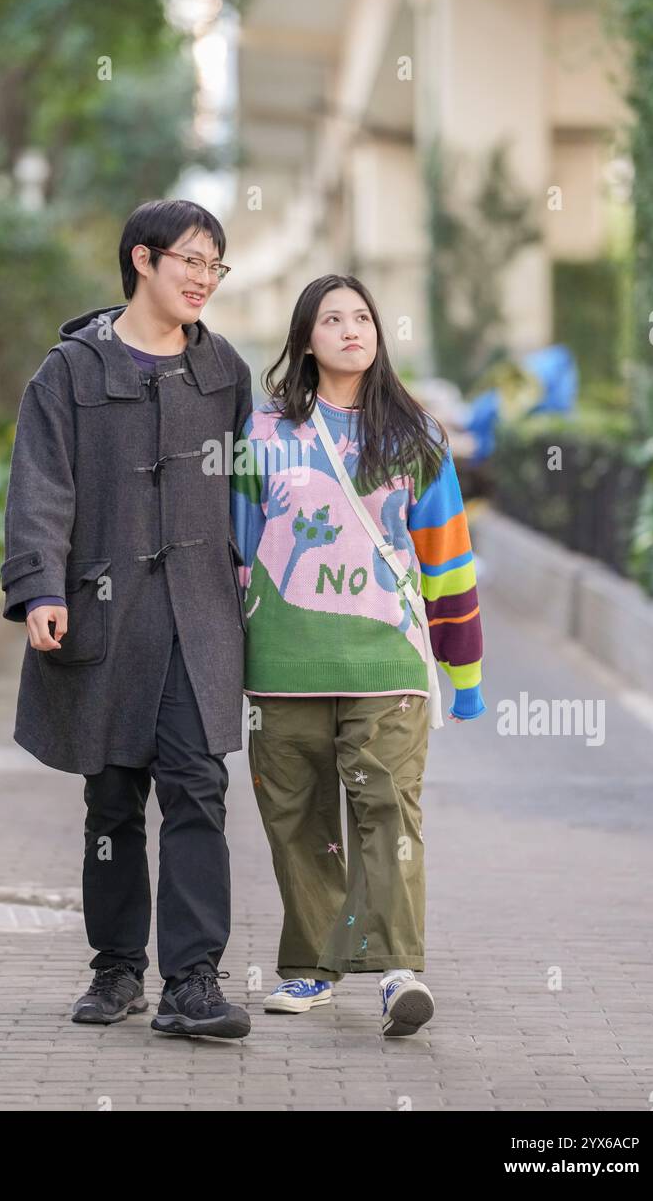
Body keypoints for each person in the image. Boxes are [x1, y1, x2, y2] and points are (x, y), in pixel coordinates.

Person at [0, 198, 253, 1039]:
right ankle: (116, 971)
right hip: (104, 616)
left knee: (199, 789)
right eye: (191, 260)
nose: (203, 278)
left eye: (215, 265)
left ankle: (194, 980)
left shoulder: (225, 375)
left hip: (200, 615)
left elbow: (253, 487)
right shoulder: (69, 370)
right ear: (142, 260)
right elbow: (41, 484)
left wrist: (255, 558)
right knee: (111, 801)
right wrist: (41, 589)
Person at [231, 274, 486, 1037]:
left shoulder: (417, 437)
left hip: (388, 665)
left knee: (388, 812)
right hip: (284, 667)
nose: (352, 329)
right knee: (297, 818)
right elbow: (238, 556)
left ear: (380, 334)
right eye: (332, 318)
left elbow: (447, 559)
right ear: (305, 338)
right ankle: (310, 970)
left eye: (364, 317)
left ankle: (399, 969)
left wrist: (463, 671)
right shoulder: (261, 435)